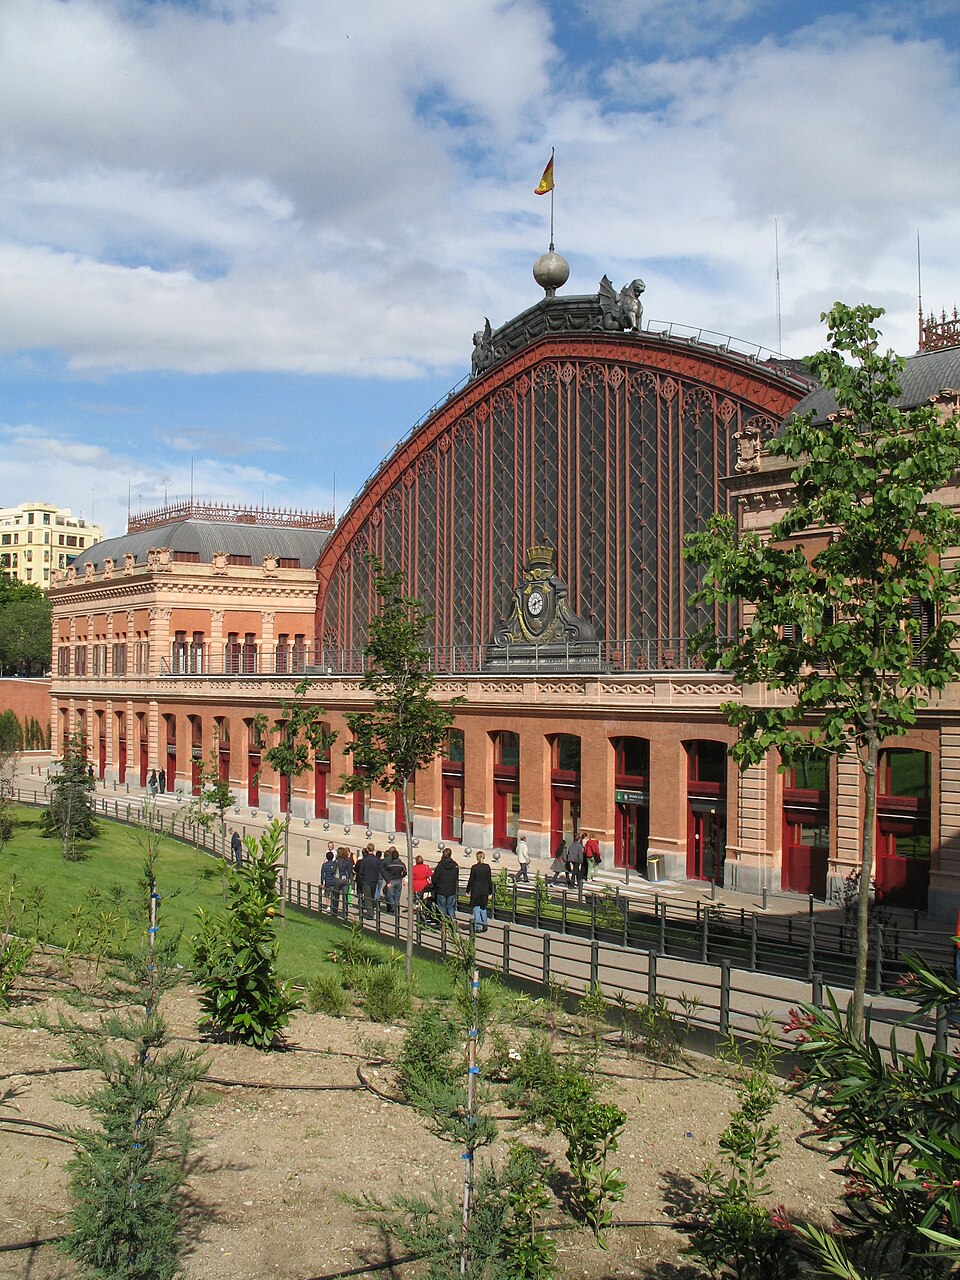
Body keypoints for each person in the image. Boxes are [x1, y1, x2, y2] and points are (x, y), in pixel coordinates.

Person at [466, 850, 493, 932]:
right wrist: (490, 892)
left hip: (476, 890)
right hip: (484, 890)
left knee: (476, 908)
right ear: (484, 857)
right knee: (483, 907)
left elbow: (471, 880)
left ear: (476, 858)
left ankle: (478, 926)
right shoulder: (487, 867)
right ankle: (485, 924)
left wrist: (468, 890)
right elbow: (489, 880)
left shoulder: (474, 867)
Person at [432, 847, 459, 921]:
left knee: (442, 908)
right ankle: (453, 922)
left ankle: (443, 924)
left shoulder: (440, 866)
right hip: (451, 889)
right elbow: (456, 877)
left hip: (441, 889)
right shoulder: (455, 866)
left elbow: (434, 878)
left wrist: (435, 884)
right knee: (450, 907)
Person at [356, 846, 382, 918]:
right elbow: (381, 870)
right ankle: (372, 909)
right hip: (374, 880)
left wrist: (361, 879)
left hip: (366, 880)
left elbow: (361, 871)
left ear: (367, 849)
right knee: (372, 895)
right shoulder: (377, 860)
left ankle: (370, 913)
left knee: (367, 896)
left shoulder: (365, 859)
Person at [331, 847, 353, 916]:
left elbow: (333, 870)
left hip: (338, 879)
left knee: (336, 896)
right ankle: (345, 912)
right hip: (345, 880)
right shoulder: (348, 861)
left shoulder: (337, 861)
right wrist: (350, 879)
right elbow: (350, 871)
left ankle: (335, 911)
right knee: (345, 896)